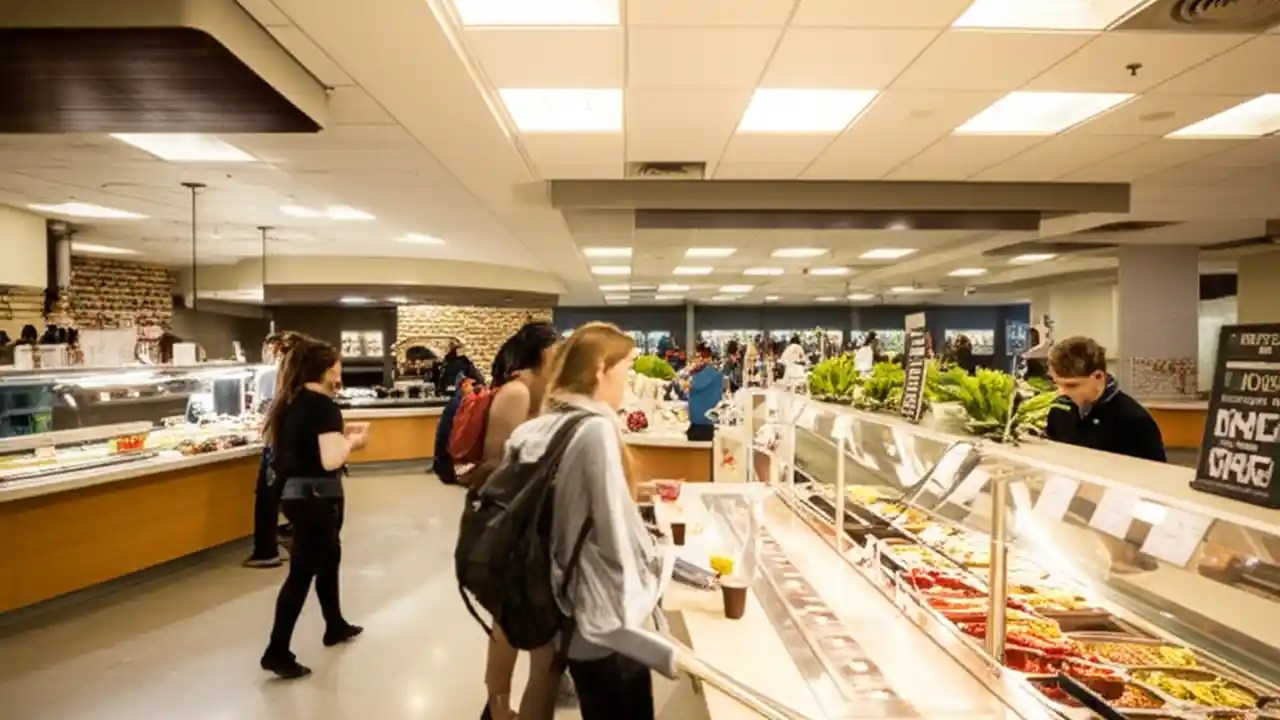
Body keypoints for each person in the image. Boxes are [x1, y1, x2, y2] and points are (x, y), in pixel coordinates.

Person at [503, 323, 677, 719]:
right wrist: (663, 559)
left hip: (563, 609)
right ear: (601, 369)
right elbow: (617, 542)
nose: (628, 382)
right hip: (608, 622)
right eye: (626, 369)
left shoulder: (535, 428)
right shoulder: (595, 430)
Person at [260, 339, 370, 679]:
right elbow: (330, 459)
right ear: (324, 369)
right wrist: (353, 441)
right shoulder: (323, 407)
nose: (340, 370)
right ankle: (276, 650)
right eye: (336, 365)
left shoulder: (291, 403)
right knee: (303, 572)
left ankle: (334, 623)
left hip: (298, 496)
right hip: (318, 499)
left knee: (329, 556)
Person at [473, 322, 563, 720]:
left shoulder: (535, 392)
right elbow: (496, 464)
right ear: (543, 354)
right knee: (540, 642)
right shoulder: (518, 391)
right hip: (514, 527)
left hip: (527, 525)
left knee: (512, 623)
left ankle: (497, 710)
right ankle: (499, 708)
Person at [244, 331, 309, 568]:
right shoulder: (304, 378)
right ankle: (291, 538)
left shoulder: (275, 376)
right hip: (293, 447)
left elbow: (267, 410)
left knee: (267, 498)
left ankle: (266, 550)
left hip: (278, 445)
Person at [1045, 336, 1166, 463]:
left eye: (1072, 385)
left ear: (1098, 376)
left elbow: (1155, 475)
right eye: (1057, 384)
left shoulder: (1134, 420)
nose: (1062, 392)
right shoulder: (1059, 410)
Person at [682, 344, 724, 443]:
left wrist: (689, 372)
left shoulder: (709, 372)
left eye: (700, 357)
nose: (698, 360)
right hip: (703, 420)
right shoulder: (704, 372)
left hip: (704, 423)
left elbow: (694, 385)